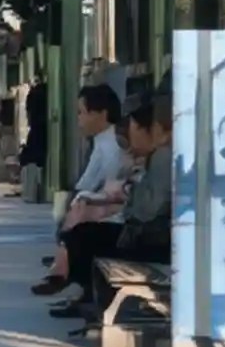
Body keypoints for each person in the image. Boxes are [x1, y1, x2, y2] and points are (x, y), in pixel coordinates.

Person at [46, 95, 173, 316]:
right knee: (84, 234)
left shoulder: (163, 158)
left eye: (134, 129)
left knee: (86, 237)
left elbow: (146, 209)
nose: (129, 136)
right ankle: (90, 297)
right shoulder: (157, 157)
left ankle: (94, 300)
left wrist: (130, 195)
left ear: (153, 130)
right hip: (154, 236)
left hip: (154, 241)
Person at [31, 83, 124, 294]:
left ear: (101, 114)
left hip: (113, 212)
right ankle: (64, 268)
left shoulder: (110, 146)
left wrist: (77, 198)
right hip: (107, 206)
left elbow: (90, 182)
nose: (78, 120)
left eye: (82, 113)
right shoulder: (103, 142)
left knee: (76, 220)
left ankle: (63, 272)